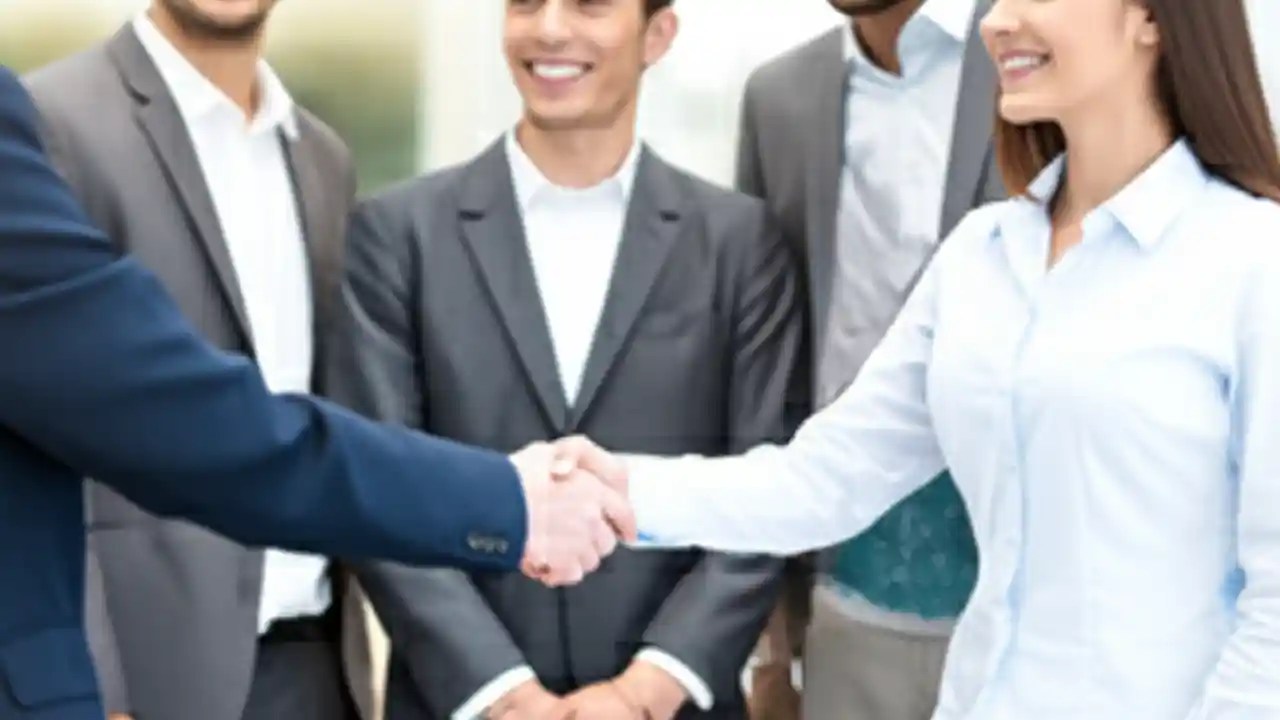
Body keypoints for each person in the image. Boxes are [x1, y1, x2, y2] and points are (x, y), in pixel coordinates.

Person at [575, 0, 1280, 717]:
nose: (996, 21)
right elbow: (826, 478)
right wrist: (607, 490)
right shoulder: (984, 253)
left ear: (1152, 18)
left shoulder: (1252, 262)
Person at [0, 65, 631, 720]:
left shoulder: (321, 156)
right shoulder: (60, 113)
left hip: (311, 646)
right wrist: (503, 499)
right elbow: (163, 412)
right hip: (157, 661)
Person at [326, 1, 802, 718]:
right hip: (459, 702)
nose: (549, 29)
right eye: (525, 3)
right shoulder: (397, 236)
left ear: (659, 34)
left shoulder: (741, 245)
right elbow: (379, 489)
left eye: (588, 4)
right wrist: (505, 696)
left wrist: (644, 692)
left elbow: (769, 489)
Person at [23, 2, 375, 718]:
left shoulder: (321, 157)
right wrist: (88, 682)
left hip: (315, 663)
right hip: (145, 672)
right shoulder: (47, 120)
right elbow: (35, 431)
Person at [733, 1, 1000, 716]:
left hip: (1031, 591)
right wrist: (774, 647)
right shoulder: (778, 97)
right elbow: (768, 371)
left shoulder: (1043, 45)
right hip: (849, 592)